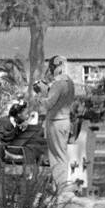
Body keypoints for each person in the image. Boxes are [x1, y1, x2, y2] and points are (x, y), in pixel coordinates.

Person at [42, 55, 77, 198]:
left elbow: (48, 103)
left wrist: (41, 93)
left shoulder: (58, 83)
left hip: (55, 121)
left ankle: (61, 188)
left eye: (51, 67)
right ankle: (63, 186)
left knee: (56, 156)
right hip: (65, 120)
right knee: (62, 155)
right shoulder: (70, 82)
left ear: (55, 66)